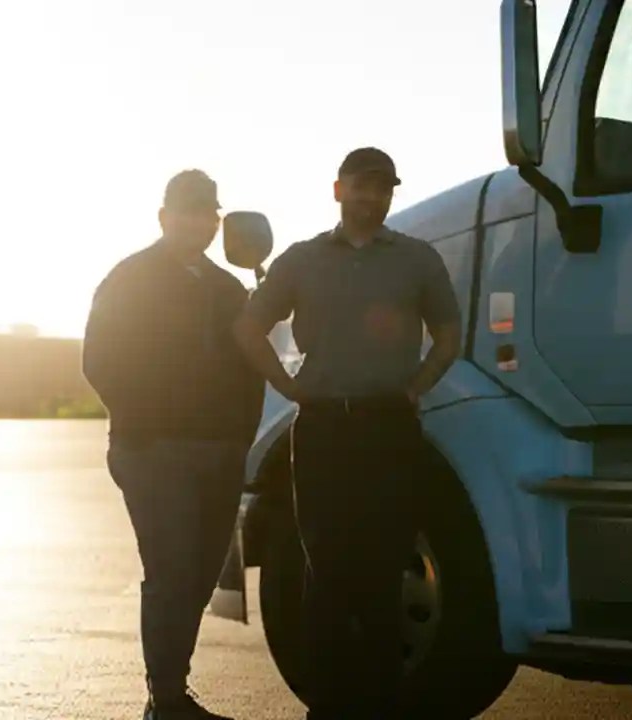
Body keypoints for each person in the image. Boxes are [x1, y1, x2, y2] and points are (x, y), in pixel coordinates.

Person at [233, 147, 462, 718]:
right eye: (362, 186)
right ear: (338, 190)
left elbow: (450, 334)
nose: (373, 197)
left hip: (390, 430)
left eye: (383, 188)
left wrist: (415, 386)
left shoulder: (416, 259)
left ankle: (383, 702)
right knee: (327, 572)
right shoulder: (302, 260)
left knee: (385, 567)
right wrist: (287, 389)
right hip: (323, 432)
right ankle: (328, 705)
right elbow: (247, 327)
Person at [83, 169, 265, 720]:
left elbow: (250, 366)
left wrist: (239, 439)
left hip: (218, 451)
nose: (197, 223)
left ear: (216, 221)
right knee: (172, 569)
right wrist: (141, 427)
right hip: (154, 449)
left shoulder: (230, 289)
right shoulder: (129, 278)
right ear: (164, 218)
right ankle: (165, 698)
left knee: (204, 570)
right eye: (184, 212)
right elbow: (98, 362)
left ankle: (172, 693)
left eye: (206, 213)